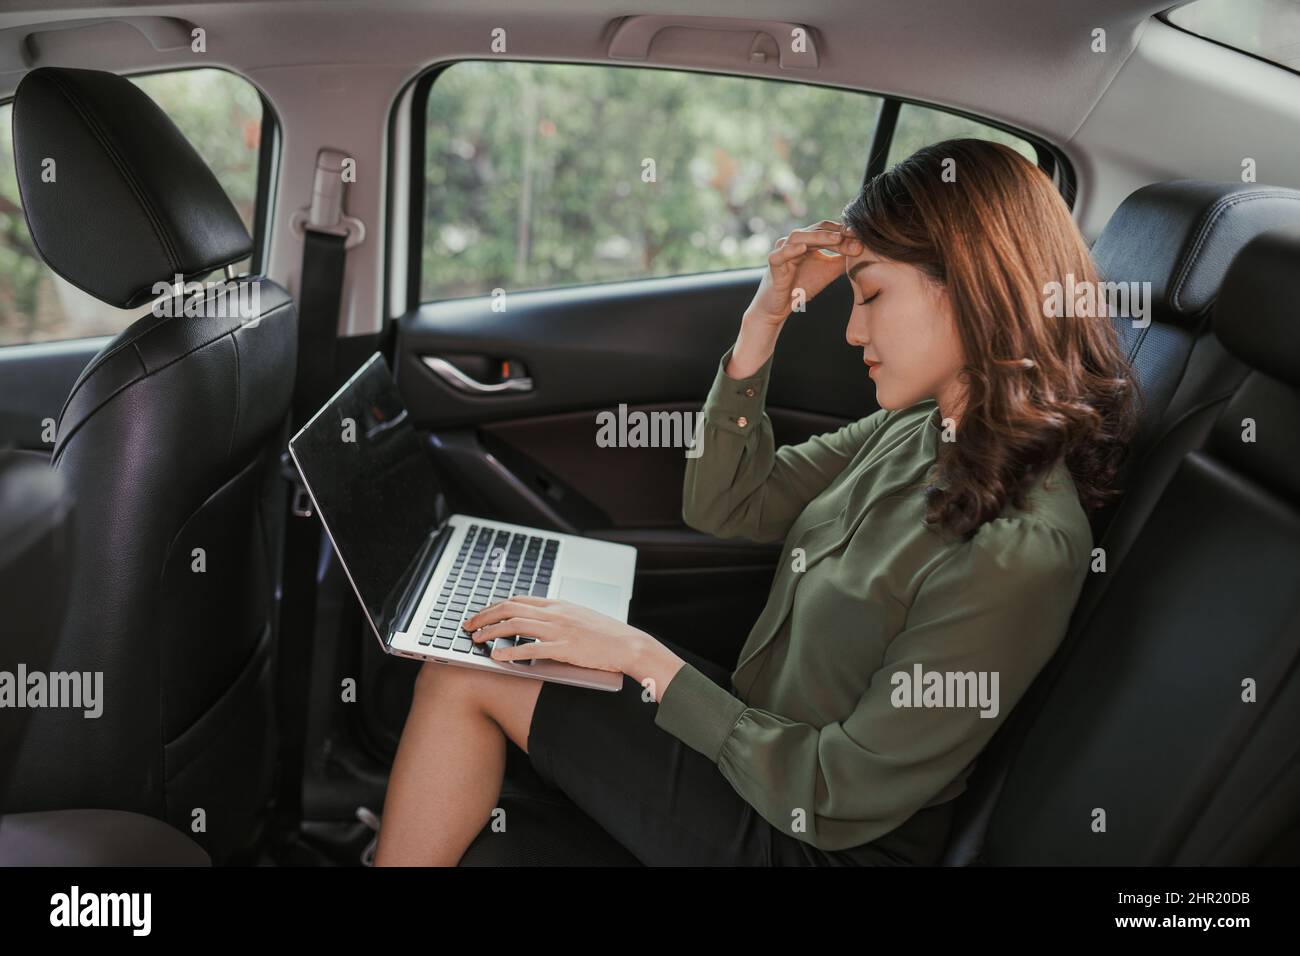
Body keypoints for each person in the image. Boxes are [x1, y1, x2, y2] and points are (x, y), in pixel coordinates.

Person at [372, 137, 1142, 866]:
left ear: (970, 287)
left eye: (872, 294)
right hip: (758, 748)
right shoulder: (917, 430)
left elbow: (839, 791)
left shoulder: (1020, 547)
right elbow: (728, 504)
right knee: (498, 648)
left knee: (471, 673)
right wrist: (764, 319)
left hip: (817, 836)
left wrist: (642, 659)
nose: (853, 331)